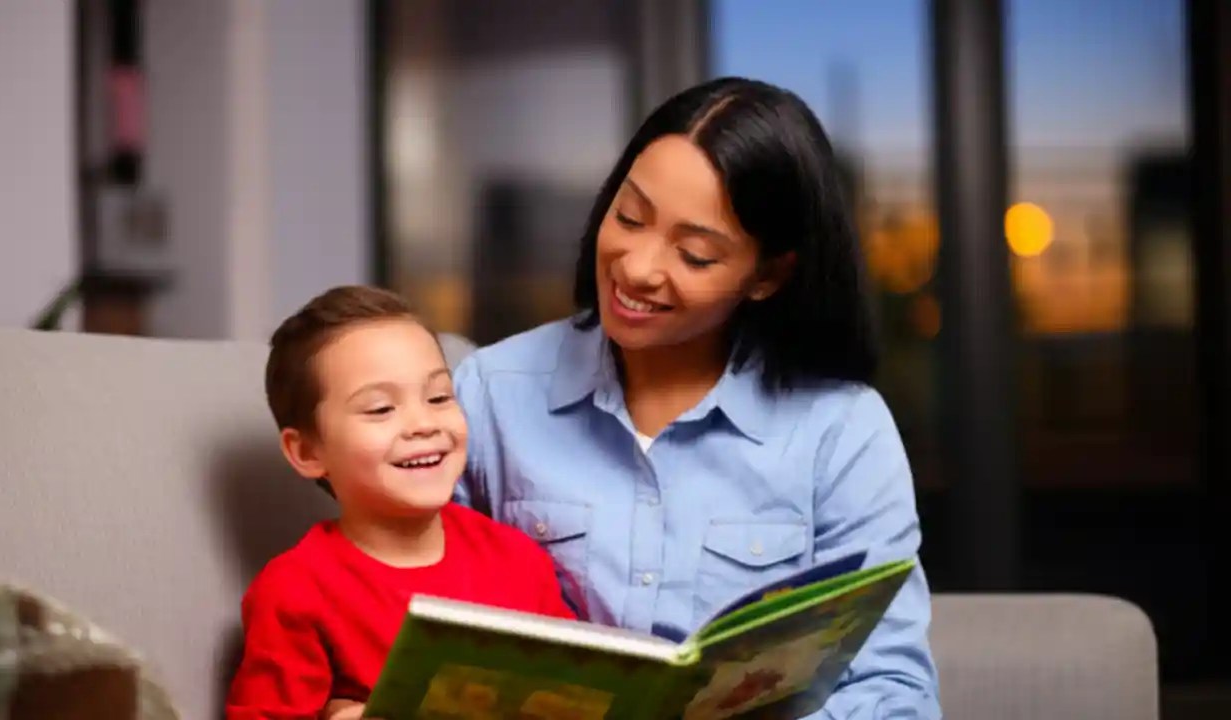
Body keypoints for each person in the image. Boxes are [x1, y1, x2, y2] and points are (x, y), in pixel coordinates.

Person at [453, 77, 941, 718]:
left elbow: (895, 690)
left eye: (694, 254)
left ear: (767, 275)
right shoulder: (490, 393)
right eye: (628, 217)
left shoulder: (841, 430)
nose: (637, 268)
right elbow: (400, 588)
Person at [225, 286, 573, 720]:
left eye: (439, 397)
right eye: (380, 409)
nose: (423, 423)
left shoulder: (517, 559)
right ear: (307, 453)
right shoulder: (295, 590)